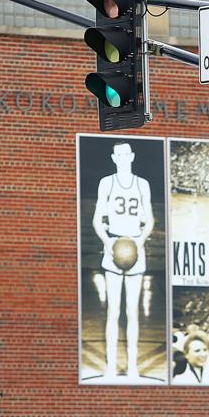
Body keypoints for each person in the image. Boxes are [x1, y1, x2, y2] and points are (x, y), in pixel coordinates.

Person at [92, 141, 154, 380]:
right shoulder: (106, 183)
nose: (123, 157)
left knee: (133, 312)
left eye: (126, 153)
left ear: (132, 156)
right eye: (119, 154)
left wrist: (139, 242)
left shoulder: (142, 184)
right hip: (113, 247)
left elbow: (149, 220)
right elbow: (98, 220)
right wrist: (108, 244)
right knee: (113, 311)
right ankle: (110, 366)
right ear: (113, 157)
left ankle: (132, 367)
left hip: (135, 247)